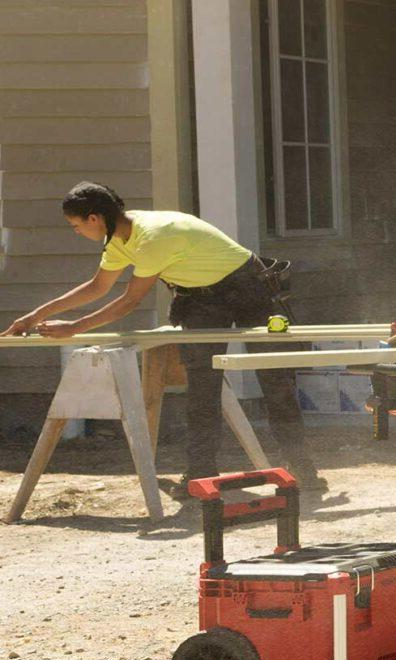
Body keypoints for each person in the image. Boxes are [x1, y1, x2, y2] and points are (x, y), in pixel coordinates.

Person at [3, 183, 326, 496]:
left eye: (75, 225)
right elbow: (97, 287)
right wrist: (33, 316)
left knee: (275, 380)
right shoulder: (118, 238)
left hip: (246, 286)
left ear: (94, 218)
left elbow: (129, 301)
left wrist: (75, 327)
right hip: (199, 298)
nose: (76, 231)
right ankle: (201, 474)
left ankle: (302, 468)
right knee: (202, 386)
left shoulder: (152, 237)